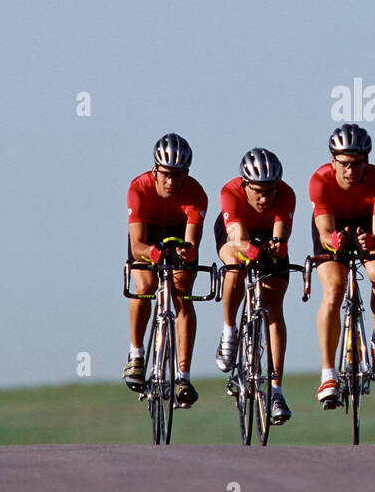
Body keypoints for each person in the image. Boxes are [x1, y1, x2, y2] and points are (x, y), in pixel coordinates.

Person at [308, 124, 375, 409]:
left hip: (368, 228)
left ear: (366, 161)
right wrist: (334, 241)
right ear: (332, 160)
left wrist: (371, 240)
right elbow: (323, 233)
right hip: (333, 230)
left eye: (357, 164)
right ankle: (328, 373)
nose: (350, 171)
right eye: (344, 163)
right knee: (334, 289)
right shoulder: (320, 181)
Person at [213, 148, 298, 424]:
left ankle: (276, 391)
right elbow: (238, 238)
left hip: (267, 236)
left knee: (274, 306)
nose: (264, 198)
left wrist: (274, 249)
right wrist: (251, 251)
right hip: (237, 235)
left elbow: (281, 238)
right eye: (258, 191)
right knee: (236, 269)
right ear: (245, 185)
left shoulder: (286, 195)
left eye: (270, 191)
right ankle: (229, 330)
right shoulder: (231, 193)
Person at [124, 133, 208, 407]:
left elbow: (192, 242)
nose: (171, 182)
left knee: (182, 294)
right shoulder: (139, 188)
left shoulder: (196, 193)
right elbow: (137, 244)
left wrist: (187, 251)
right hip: (147, 237)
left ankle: (183, 376)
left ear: (186, 173)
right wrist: (151, 252)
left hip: (178, 235)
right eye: (166, 175)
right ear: (155, 170)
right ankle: (136, 355)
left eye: (178, 175)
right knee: (145, 286)